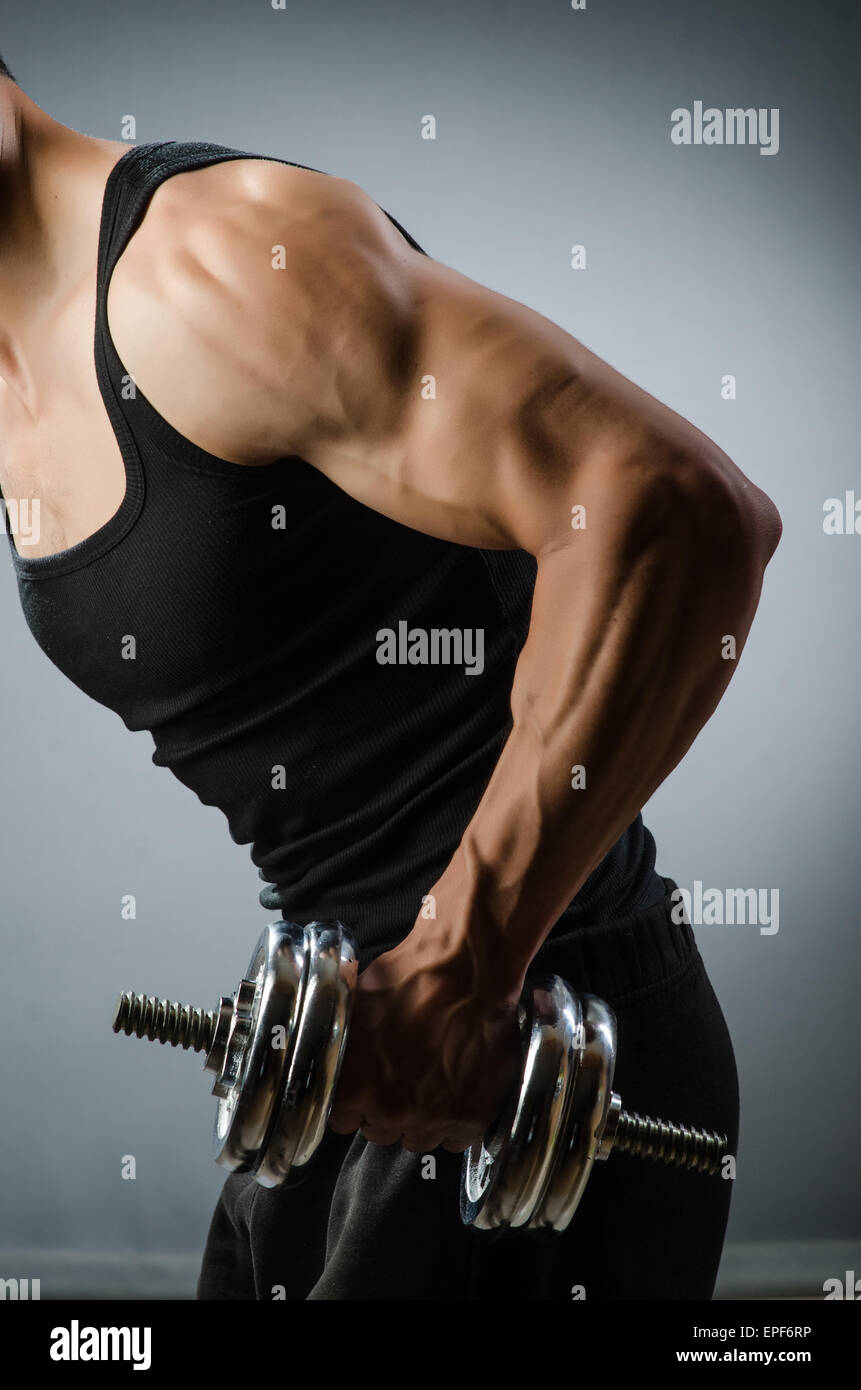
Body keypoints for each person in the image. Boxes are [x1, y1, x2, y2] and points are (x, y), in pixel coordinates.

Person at [0, 55, 781, 1299]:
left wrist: (466, 964)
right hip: (352, 1059)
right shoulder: (14, 376)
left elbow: (676, 512)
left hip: (521, 1048)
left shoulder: (213, 268)